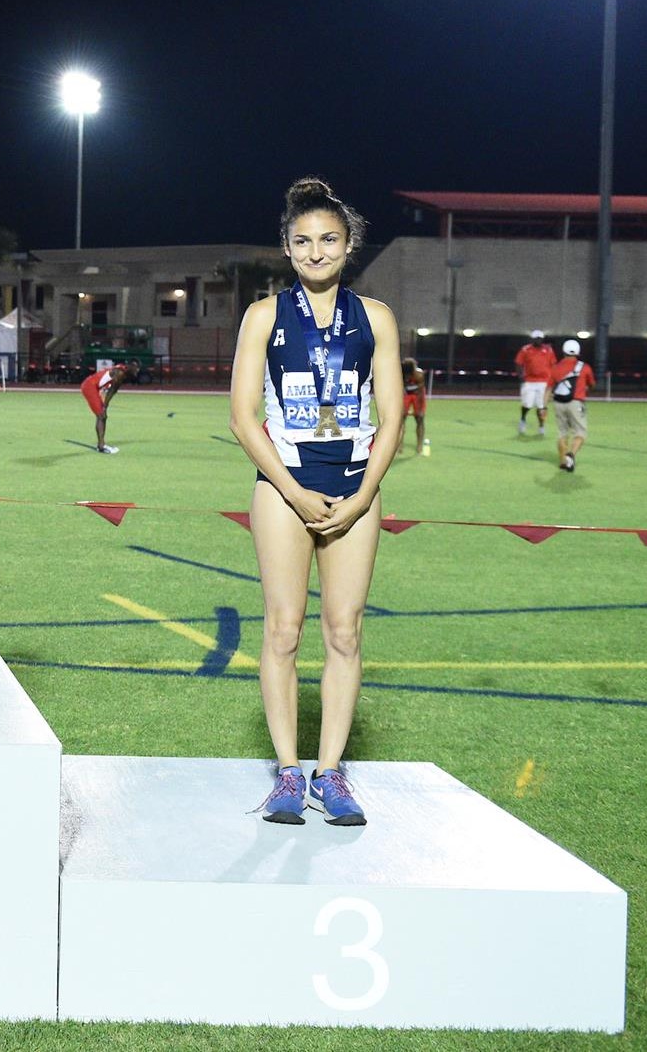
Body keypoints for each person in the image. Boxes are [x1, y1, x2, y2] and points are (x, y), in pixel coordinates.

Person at [227, 178, 404, 826]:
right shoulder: (263, 316)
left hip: (356, 486)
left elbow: (393, 416)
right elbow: (243, 418)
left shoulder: (375, 317)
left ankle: (330, 773)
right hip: (284, 487)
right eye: (302, 241)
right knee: (282, 628)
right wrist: (295, 490)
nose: (316, 251)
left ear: (349, 244)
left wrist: (361, 496)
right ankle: (287, 773)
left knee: (344, 630)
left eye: (329, 239)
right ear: (287, 247)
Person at [548, 337, 594, 472]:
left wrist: (543, 406)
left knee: (562, 433)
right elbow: (592, 384)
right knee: (580, 432)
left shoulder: (556, 367)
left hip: (558, 403)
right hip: (576, 402)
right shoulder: (584, 367)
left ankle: (564, 462)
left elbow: (549, 387)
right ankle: (571, 454)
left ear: (563, 351)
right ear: (578, 352)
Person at [514, 330, 556, 437]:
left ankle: (541, 425)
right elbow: (518, 363)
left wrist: (553, 379)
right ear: (532, 339)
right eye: (536, 338)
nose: (538, 340)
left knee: (541, 406)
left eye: (540, 338)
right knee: (527, 404)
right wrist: (521, 377)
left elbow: (553, 365)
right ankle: (523, 419)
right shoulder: (526, 349)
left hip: (544, 382)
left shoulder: (548, 350)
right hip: (529, 381)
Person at [80, 362, 126, 452]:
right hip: (90, 386)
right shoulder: (119, 373)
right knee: (101, 416)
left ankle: (101, 444)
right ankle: (101, 446)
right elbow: (112, 390)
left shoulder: (118, 371)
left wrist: (105, 405)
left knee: (103, 416)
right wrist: (105, 406)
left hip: (93, 386)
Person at [401, 356, 429, 456]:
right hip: (406, 394)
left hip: (417, 395)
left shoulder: (419, 374)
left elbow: (420, 390)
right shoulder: (401, 373)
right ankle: (399, 445)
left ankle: (419, 446)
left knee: (420, 418)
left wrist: (420, 409)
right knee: (401, 419)